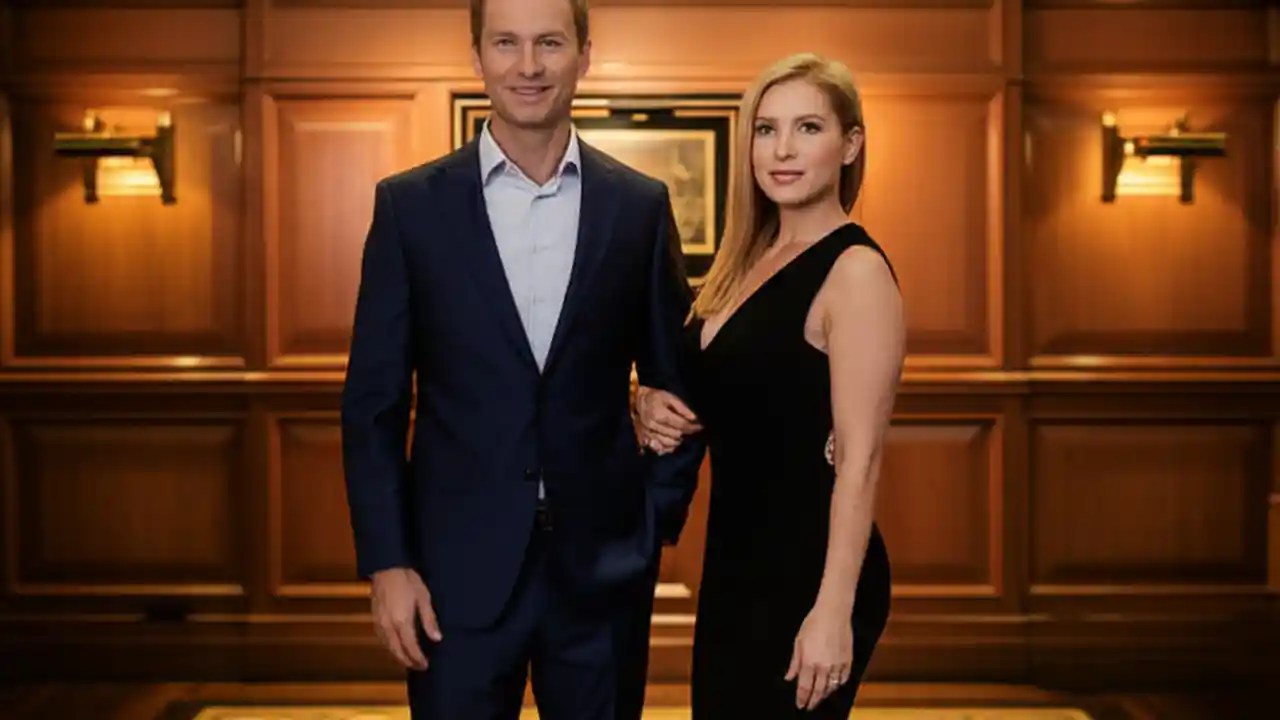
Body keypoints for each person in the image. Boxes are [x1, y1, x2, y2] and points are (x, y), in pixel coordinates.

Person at [340, 0, 704, 717]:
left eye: (549, 43)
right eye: (506, 43)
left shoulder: (638, 207)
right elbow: (373, 405)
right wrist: (388, 562)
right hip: (452, 578)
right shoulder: (410, 209)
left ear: (584, 56)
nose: (528, 66)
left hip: (602, 576)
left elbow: (679, 383)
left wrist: (651, 524)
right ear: (476, 58)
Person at [634, 52, 903, 718]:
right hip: (735, 568)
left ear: (850, 145)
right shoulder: (741, 265)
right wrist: (641, 401)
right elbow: (706, 392)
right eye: (765, 129)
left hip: (810, 576)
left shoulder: (855, 271)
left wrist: (833, 612)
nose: (782, 149)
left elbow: (861, 461)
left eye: (808, 128)